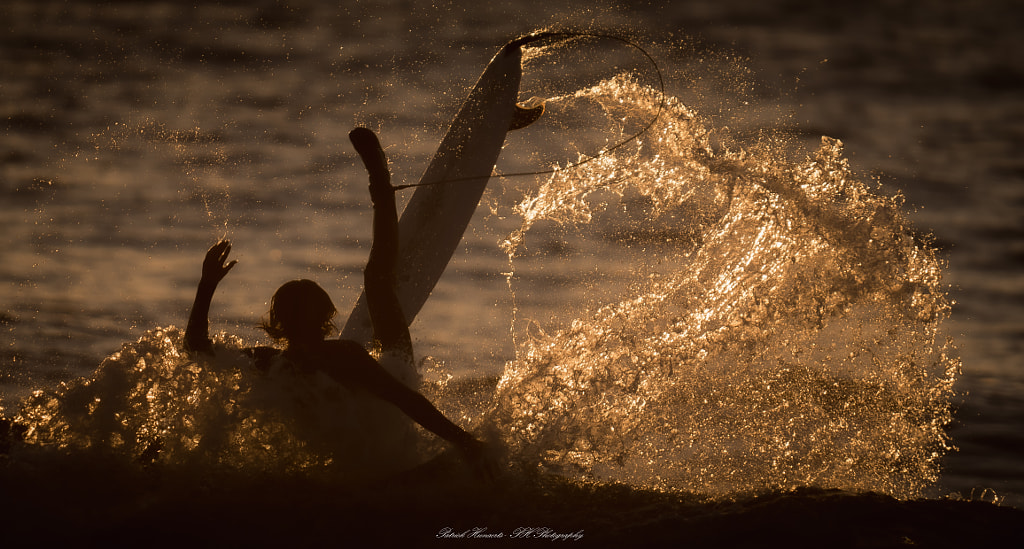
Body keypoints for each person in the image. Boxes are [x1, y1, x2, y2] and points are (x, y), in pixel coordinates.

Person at [184, 127, 489, 477]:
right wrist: (465, 442)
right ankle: (380, 189)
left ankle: (381, 188)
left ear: (278, 322)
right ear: (326, 316)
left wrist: (206, 286)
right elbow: (197, 350)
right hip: (374, 441)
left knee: (378, 283)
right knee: (376, 281)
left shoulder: (281, 361)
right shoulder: (294, 360)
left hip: (393, 383)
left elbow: (405, 399)